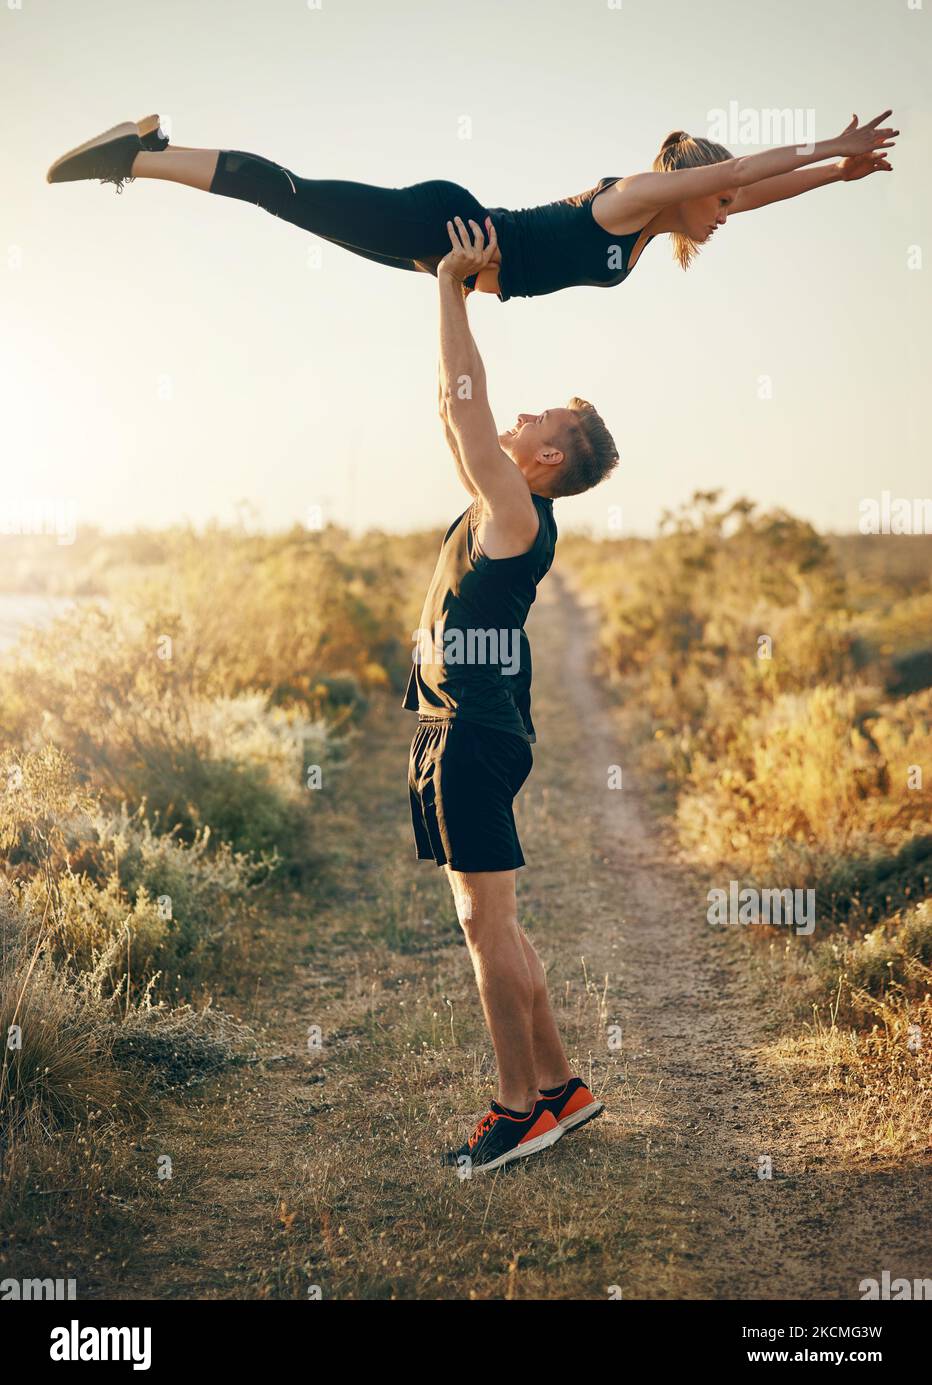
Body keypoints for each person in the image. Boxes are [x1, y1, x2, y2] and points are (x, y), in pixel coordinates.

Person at [405, 216, 612, 1175]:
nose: (517, 417)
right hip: (467, 727)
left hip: (475, 737)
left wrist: (449, 284)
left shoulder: (517, 510)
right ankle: (563, 1087)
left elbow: (466, 398)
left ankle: (516, 1109)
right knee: (499, 921)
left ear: (543, 461)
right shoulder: (506, 503)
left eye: (539, 423)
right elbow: (456, 411)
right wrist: (445, 297)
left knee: (484, 928)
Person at [47, 112, 896, 302]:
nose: (727, 213)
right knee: (292, 197)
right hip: (443, 226)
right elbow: (748, 168)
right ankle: (141, 154)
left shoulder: (655, 230)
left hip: (443, 256)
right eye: (719, 199)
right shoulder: (638, 199)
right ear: (688, 186)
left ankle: (147, 151)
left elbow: (752, 188)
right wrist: (828, 145)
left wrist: (833, 181)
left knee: (292, 204)